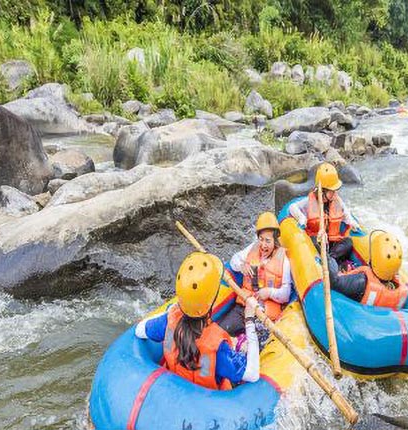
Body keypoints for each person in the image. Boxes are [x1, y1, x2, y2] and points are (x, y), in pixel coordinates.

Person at [135, 251, 260, 389]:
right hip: (208, 400)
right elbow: (252, 374)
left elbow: (140, 330)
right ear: (211, 300)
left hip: (174, 388)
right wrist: (249, 319)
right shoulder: (218, 348)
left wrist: (172, 310)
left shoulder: (168, 321)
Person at [218, 212, 292, 342]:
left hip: (264, 315)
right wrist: (242, 266)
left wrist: (269, 292)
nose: (263, 245)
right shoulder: (253, 248)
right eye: (261, 239)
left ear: (275, 241)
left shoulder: (284, 261)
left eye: (268, 241)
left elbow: (286, 294)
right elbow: (234, 260)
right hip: (244, 307)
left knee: (255, 344)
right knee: (221, 333)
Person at [289, 163, 360, 263]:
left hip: (331, 244)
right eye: (332, 191)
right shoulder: (308, 202)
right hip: (316, 242)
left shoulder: (336, 200)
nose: (335, 193)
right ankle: (326, 260)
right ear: (322, 190)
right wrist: (301, 218)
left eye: (335, 190)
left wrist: (352, 222)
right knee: (313, 243)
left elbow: (345, 212)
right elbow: (292, 207)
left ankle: (329, 259)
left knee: (348, 242)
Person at [327, 231, 408, 310]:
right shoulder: (399, 288)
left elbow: (334, 282)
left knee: (348, 243)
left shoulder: (361, 281)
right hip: (370, 306)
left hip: (354, 301)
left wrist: (330, 259)